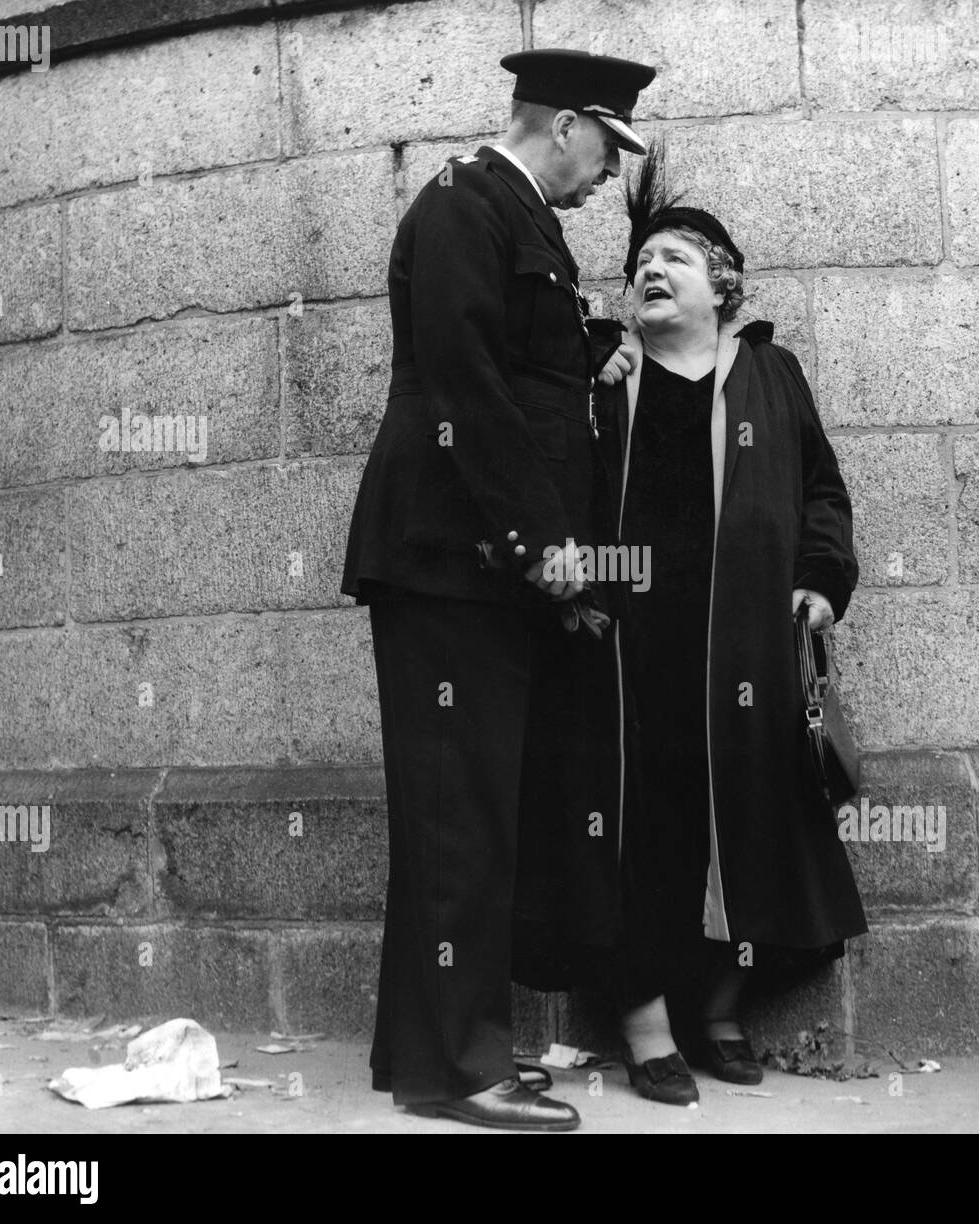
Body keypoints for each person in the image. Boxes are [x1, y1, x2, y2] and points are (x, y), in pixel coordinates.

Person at [339, 48, 655, 1132]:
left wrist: (592, 353)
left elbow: (525, 373)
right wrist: (542, 540)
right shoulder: (461, 204)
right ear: (565, 124)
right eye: (608, 147)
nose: (611, 174)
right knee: (459, 820)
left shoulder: (520, 219)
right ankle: (456, 1071)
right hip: (449, 560)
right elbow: (464, 384)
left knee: (464, 815)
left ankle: (421, 1051)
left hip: (478, 566)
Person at [592, 146, 868, 1105]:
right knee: (645, 830)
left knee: (748, 824)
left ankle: (717, 1009)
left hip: (745, 646)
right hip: (632, 652)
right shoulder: (606, 374)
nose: (651, 271)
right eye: (639, 265)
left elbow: (822, 490)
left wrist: (823, 580)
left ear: (723, 282)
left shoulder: (769, 373)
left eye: (673, 256)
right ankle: (643, 1022)